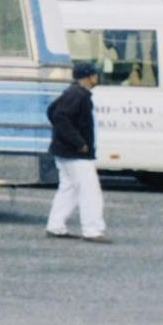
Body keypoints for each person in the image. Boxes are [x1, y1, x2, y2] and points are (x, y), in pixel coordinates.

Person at [45, 59, 107, 243]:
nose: (97, 77)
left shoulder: (72, 93)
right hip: (76, 154)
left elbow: (52, 111)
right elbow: (60, 116)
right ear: (88, 77)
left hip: (65, 151)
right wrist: (79, 142)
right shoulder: (78, 95)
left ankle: (55, 225)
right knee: (89, 191)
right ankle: (92, 230)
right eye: (94, 74)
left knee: (69, 189)